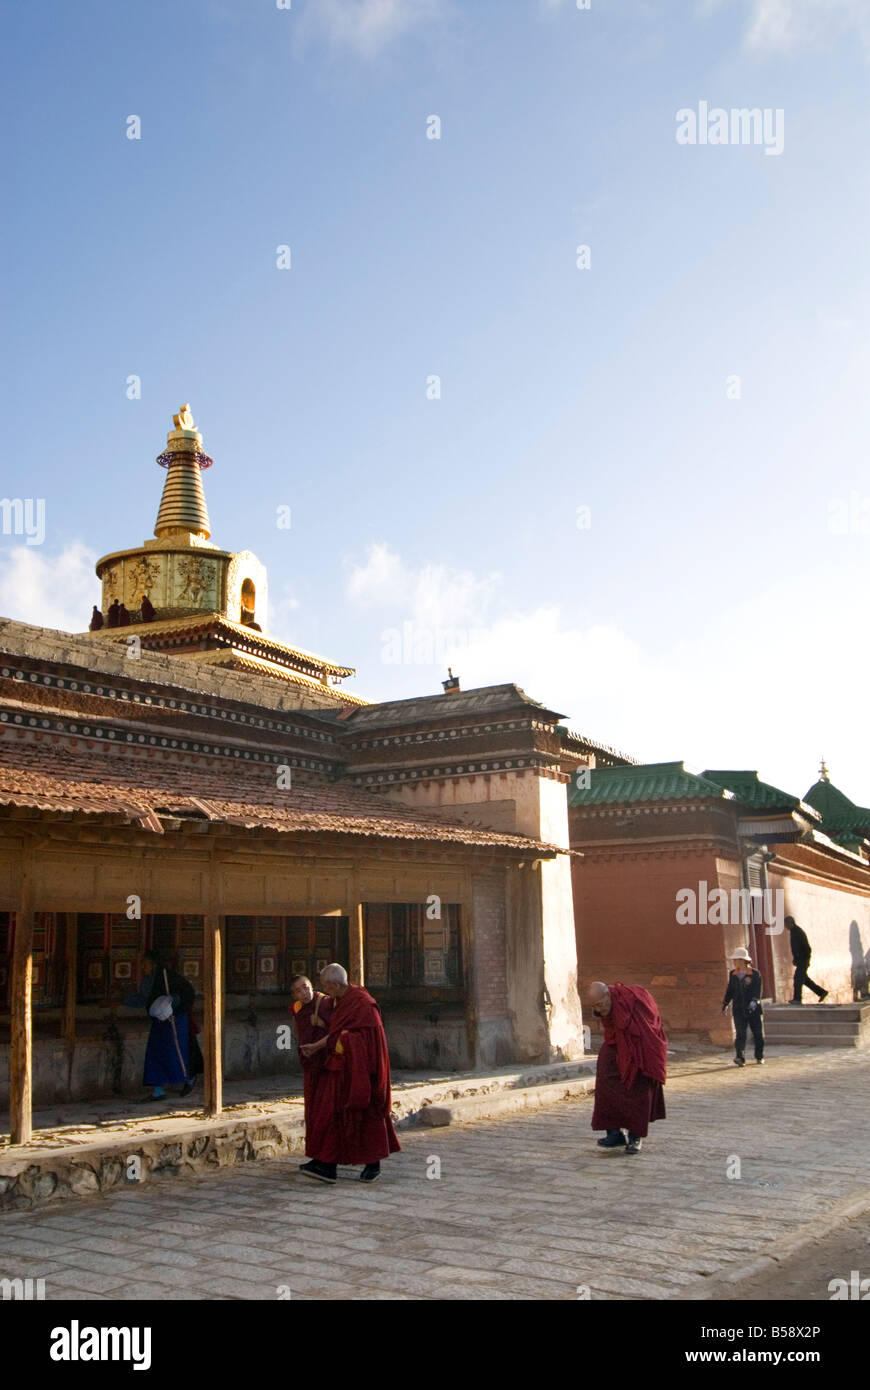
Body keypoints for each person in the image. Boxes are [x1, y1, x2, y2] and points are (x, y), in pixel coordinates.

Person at [298, 963, 400, 1184]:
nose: (323, 990)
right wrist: (317, 1046)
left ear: (335, 985)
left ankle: (372, 1165)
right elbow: (337, 1032)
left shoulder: (363, 1004)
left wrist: (342, 1040)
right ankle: (325, 1162)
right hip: (340, 1068)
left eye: (326, 986)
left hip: (363, 1071)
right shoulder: (339, 1001)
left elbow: (366, 1041)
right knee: (330, 1115)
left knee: (366, 1115)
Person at [589, 981, 667, 1154]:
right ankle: (614, 1132)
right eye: (595, 1006)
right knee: (605, 1076)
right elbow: (610, 1025)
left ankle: (635, 1136)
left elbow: (647, 1023)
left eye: (601, 1004)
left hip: (638, 1042)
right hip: (616, 1041)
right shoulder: (605, 1006)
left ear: (608, 994)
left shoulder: (630, 999)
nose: (599, 1010)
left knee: (636, 1084)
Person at [126, 949, 203, 1102]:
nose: (143, 967)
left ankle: (189, 1078)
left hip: (176, 1021)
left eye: (145, 963)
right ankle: (158, 1090)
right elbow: (143, 999)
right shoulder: (148, 981)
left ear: (153, 964)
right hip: (159, 1022)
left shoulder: (170, 978)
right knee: (155, 1053)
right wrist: (123, 999)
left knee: (178, 1052)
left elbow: (187, 993)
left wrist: (172, 1003)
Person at [289, 974, 334, 1144]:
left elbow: (339, 1030)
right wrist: (303, 1046)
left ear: (312, 986)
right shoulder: (297, 1008)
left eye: (306, 987)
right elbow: (297, 1029)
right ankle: (315, 1144)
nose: (304, 993)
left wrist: (322, 1025)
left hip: (326, 1061)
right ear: (294, 995)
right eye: (298, 991)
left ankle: (326, 1144)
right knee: (312, 1106)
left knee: (326, 1105)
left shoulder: (325, 1002)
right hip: (310, 1061)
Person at [722, 947, 764, 1066]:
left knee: (757, 1033)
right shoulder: (733, 974)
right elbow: (730, 990)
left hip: (753, 1008)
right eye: (734, 960)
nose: (735, 962)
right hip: (739, 1008)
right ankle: (740, 1057)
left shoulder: (755, 974)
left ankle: (759, 1055)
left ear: (743, 960)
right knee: (740, 1033)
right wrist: (725, 1003)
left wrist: (755, 1001)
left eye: (737, 960)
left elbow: (758, 990)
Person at [786, 916, 828, 1004]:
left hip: (803, 960)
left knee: (797, 979)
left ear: (791, 923)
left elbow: (806, 948)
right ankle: (821, 992)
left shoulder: (798, 932)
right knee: (804, 979)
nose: (785, 926)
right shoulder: (794, 932)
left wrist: (805, 960)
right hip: (800, 960)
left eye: (786, 924)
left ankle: (797, 999)